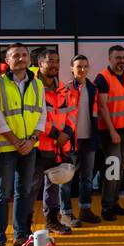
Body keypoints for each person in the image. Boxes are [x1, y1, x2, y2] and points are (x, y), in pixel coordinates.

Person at [0, 43, 44, 246]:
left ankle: (21, 234)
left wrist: (31, 140)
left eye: (24, 55)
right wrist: (16, 141)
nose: (21, 59)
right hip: (6, 148)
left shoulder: (37, 84)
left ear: (29, 59)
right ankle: (0, 239)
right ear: (7, 61)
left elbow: (42, 114)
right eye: (16, 56)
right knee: (2, 194)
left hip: (29, 147)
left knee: (24, 192)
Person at [30, 47, 77, 235]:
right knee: (31, 188)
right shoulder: (33, 88)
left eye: (56, 61)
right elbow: (35, 116)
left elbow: (72, 113)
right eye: (49, 61)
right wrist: (57, 134)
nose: (54, 65)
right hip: (40, 145)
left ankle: (52, 221)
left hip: (58, 147)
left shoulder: (63, 89)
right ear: (40, 64)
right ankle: (24, 228)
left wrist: (67, 132)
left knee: (53, 187)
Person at [95, 45, 124, 221]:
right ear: (109, 59)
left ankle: (114, 202)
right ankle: (107, 207)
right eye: (118, 57)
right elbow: (102, 107)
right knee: (112, 169)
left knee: (119, 168)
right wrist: (112, 131)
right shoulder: (102, 78)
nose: (122, 61)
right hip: (111, 132)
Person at [63, 54, 101, 224]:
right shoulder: (66, 89)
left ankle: (85, 209)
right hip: (71, 141)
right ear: (72, 68)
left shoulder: (93, 88)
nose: (82, 70)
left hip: (89, 139)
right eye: (79, 66)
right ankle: (65, 213)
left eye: (85, 66)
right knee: (66, 179)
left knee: (87, 177)